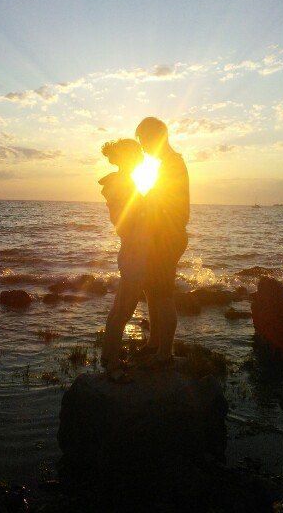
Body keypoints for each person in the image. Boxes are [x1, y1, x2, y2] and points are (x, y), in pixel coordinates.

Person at [134, 117, 190, 368]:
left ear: (156, 138)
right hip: (160, 237)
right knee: (152, 290)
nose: (143, 147)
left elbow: (164, 204)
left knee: (163, 294)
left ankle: (165, 354)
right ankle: (154, 343)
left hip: (168, 237)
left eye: (144, 140)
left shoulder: (172, 164)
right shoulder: (166, 164)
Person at [98, 138, 149, 383]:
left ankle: (108, 357)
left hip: (131, 250)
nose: (141, 157)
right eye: (137, 154)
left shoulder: (122, 182)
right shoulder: (121, 185)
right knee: (123, 311)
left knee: (119, 309)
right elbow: (126, 221)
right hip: (134, 252)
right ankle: (112, 366)